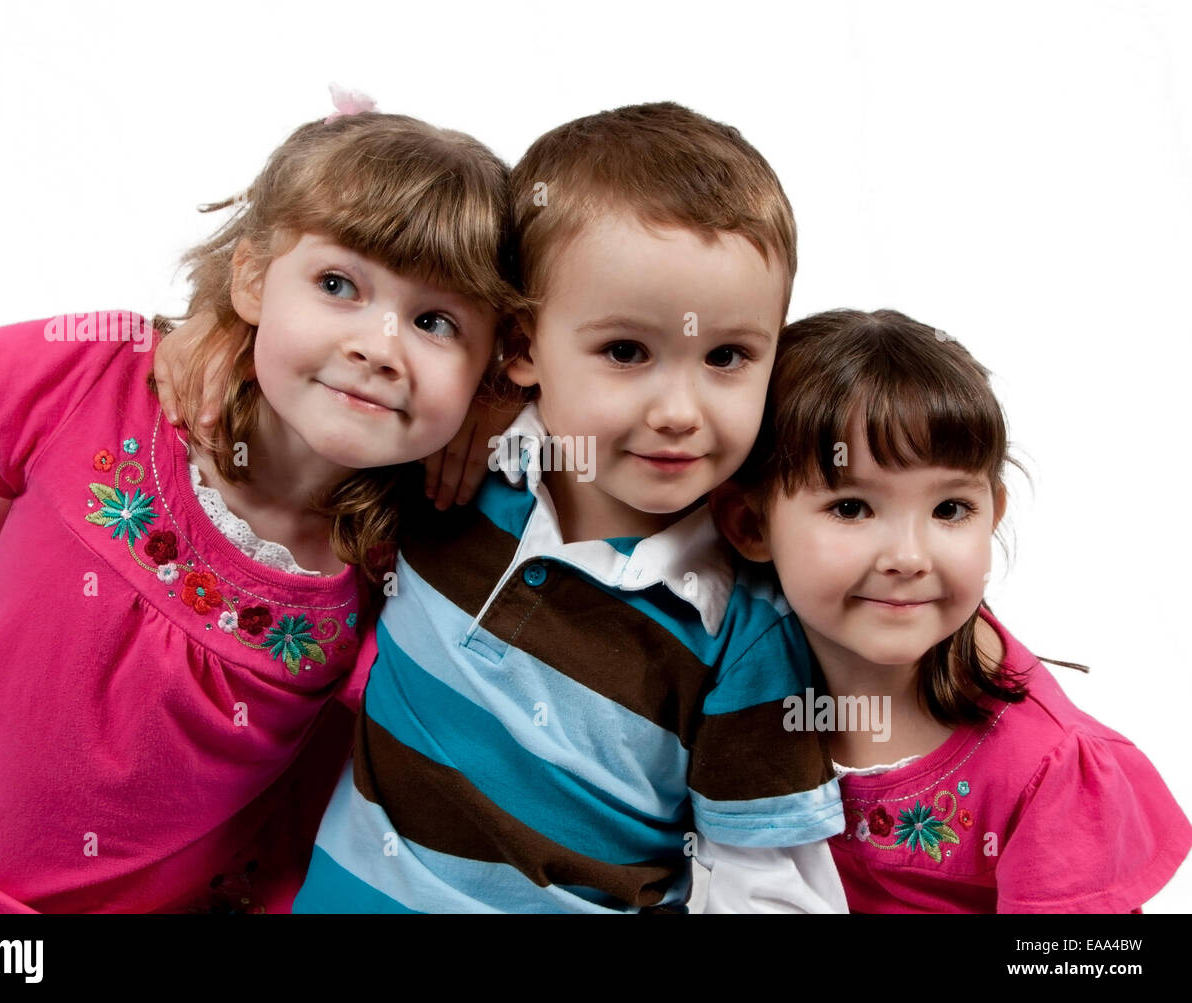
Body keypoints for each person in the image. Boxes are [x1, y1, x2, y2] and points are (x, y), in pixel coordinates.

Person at [0, 100, 521, 913]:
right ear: (254, 278)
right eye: (338, 285)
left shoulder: (407, 561)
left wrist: (507, 415)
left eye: (435, 322)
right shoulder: (98, 377)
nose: (379, 346)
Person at [293, 102, 848, 914]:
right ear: (522, 346)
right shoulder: (453, 470)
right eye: (626, 351)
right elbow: (311, 337)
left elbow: (764, 887)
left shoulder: (742, 629)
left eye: (728, 356)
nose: (679, 411)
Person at [712, 308, 1192, 912]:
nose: (909, 557)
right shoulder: (722, 659)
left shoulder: (1049, 767)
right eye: (853, 507)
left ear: (993, 512)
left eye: (949, 510)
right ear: (750, 524)